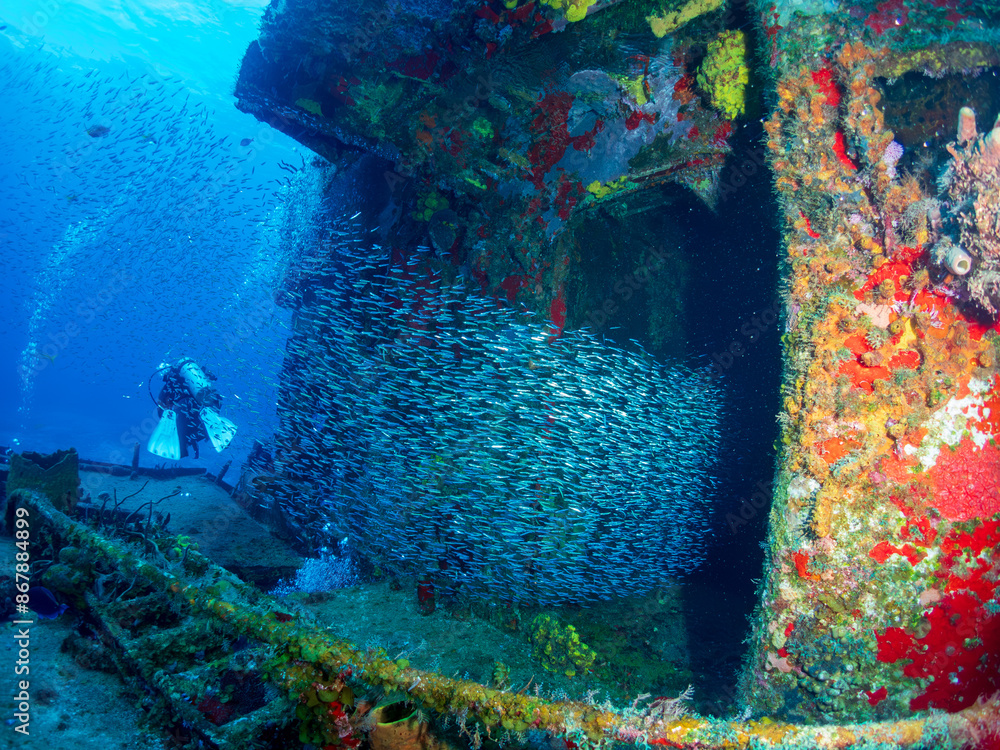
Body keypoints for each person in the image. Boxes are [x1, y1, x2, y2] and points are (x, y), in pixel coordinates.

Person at [147, 358, 237, 460]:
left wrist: (167, 414)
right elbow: (213, 381)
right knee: (204, 415)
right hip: (207, 404)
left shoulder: (169, 385)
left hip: (187, 412)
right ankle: (212, 422)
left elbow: (161, 407)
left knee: (184, 427)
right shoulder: (198, 376)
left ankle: (183, 450)